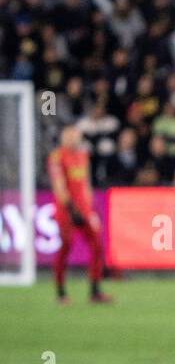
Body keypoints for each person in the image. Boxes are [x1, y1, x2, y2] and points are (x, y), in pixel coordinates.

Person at [47, 124, 110, 304]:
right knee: (65, 247)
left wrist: (90, 208)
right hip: (66, 210)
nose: (73, 139)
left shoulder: (83, 156)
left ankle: (95, 291)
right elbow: (59, 185)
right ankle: (60, 293)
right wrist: (71, 209)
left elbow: (86, 184)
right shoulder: (57, 157)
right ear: (63, 138)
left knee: (98, 245)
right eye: (69, 135)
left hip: (85, 210)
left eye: (76, 135)